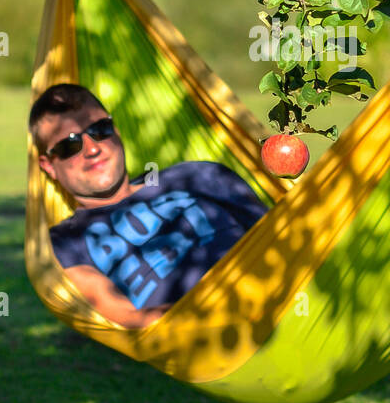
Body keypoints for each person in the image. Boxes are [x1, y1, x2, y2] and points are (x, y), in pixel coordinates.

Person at [30, 83, 268, 330]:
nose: (92, 149)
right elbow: (129, 318)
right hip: (209, 338)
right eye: (69, 145)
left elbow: (278, 233)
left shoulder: (198, 175)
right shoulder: (63, 243)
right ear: (48, 166)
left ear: (117, 131)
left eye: (100, 130)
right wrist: (222, 307)